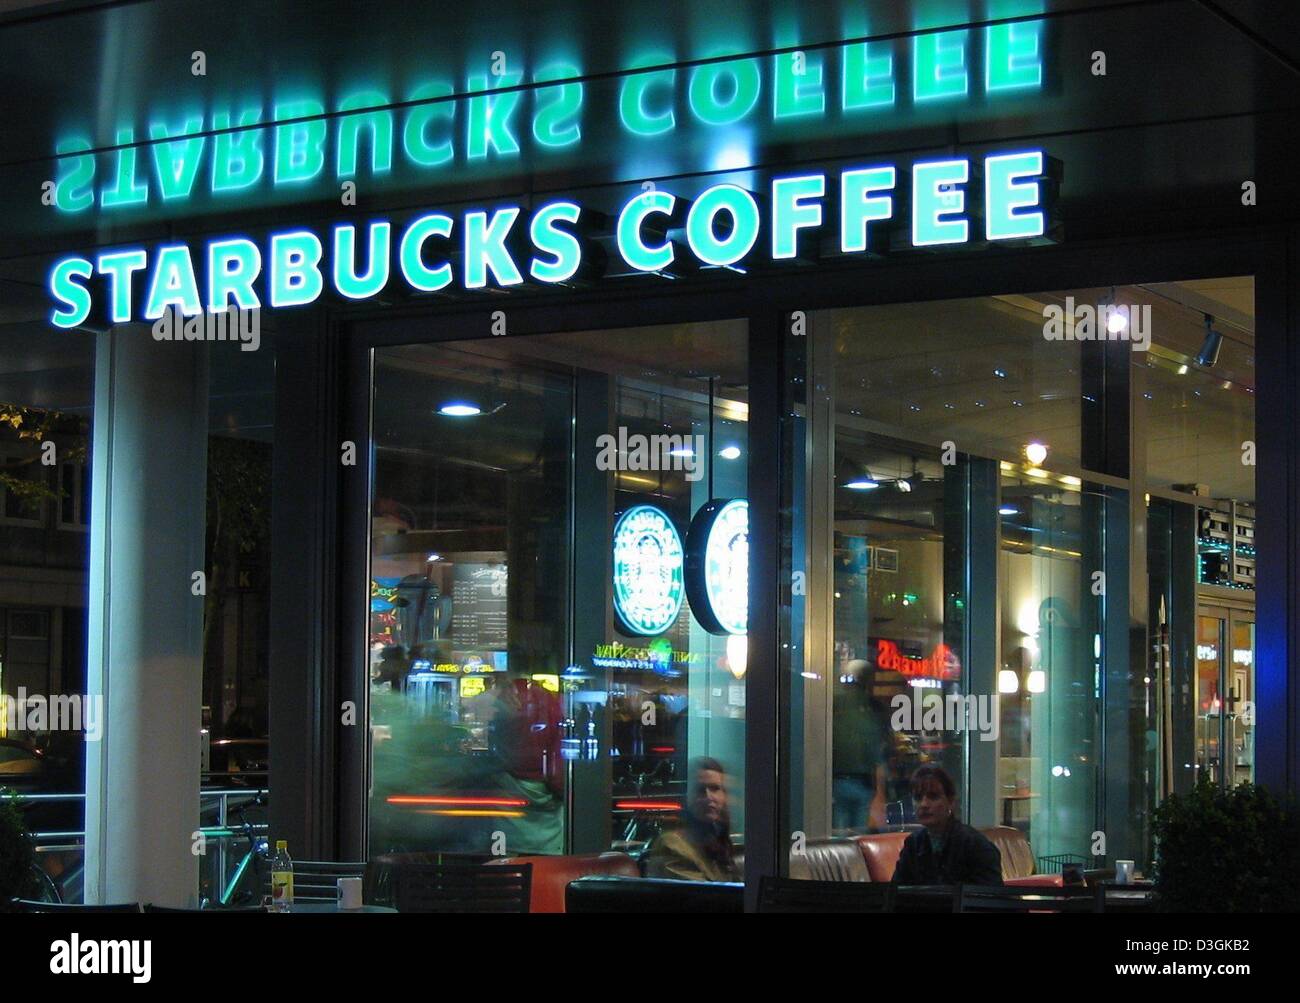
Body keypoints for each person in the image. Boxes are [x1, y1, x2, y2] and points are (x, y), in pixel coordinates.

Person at [892, 765, 1003, 886]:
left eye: (933, 796)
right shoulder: (913, 844)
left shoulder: (975, 845)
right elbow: (894, 895)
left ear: (950, 801)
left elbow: (993, 899)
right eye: (918, 798)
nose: (923, 804)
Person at [645, 757, 739, 882]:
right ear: (687, 796)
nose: (708, 797)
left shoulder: (717, 840)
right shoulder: (673, 845)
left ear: (724, 795)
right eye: (700, 790)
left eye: (715, 788)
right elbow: (703, 896)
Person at [831, 671, 889, 831]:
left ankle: (840, 854)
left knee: (840, 835)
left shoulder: (835, 723)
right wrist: (880, 792)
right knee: (858, 836)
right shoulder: (868, 722)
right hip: (863, 783)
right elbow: (877, 759)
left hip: (839, 782)